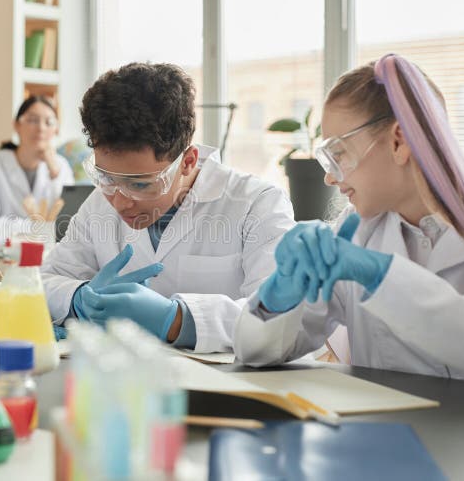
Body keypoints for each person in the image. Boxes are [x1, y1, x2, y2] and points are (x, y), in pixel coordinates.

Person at [235, 53, 464, 400]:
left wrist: (384, 277)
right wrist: (277, 297)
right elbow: (256, 353)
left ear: (399, 141)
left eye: (338, 155)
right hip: (381, 442)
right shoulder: (356, 235)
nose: (329, 177)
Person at [41, 62, 295, 353]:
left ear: (187, 162)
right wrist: (78, 297)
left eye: (140, 184)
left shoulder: (258, 204)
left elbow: (281, 320)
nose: (120, 201)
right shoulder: (100, 203)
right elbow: (44, 281)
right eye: (106, 178)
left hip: (225, 391)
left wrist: (177, 319)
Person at [0, 96, 74, 244]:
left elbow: (68, 225)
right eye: (33, 120)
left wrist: (54, 174)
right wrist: (36, 227)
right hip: (2, 253)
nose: (41, 128)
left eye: (49, 122)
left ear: (56, 129)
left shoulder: (61, 167)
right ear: (17, 125)